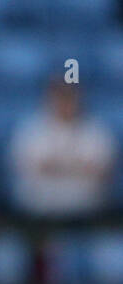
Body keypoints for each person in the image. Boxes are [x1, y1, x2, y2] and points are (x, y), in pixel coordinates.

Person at [10, 79, 117, 221]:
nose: (65, 103)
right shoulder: (31, 129)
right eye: (60, 97)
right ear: (49, 99)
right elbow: (29, 168)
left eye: (70, 97)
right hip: (39, 211)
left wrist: (57, 166)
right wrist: (77, 166)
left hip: (88, 210)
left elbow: (102, 171)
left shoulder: (96, 130)